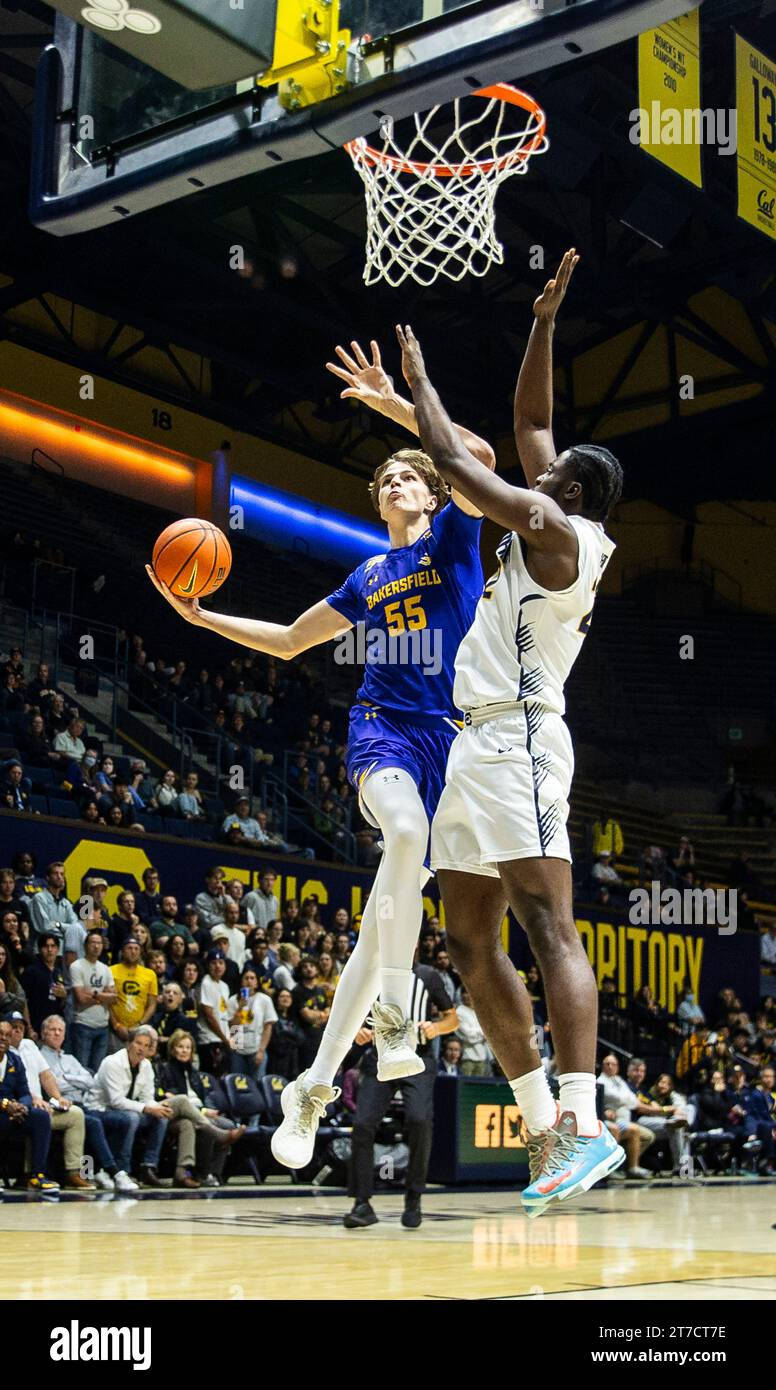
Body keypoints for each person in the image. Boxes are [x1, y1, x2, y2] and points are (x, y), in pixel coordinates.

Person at [147, 341, 495, 1174]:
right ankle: (396, 1023)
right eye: (386, 481)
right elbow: (291, 641)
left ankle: (311, 1084)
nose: (395, 484)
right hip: (382, 729)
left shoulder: (455, 539)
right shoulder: (370, 573)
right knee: (404, 835)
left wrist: (393, 404)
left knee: (381, 924)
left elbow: (479, 457)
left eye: (407, 476)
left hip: (450, 741)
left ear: (431, 492)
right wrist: (203, 619)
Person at [394, 256, 626, 1215]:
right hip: (473, 745)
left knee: (545, 922)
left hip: (523, 740)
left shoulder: (555, 530)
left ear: (573, 493)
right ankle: (544, 1132)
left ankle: (586, 1119)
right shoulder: (550, 510)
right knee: (466, 939)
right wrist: (543, 322)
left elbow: (458, 465)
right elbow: (532, 423)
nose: (542, 465)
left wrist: (420, 387)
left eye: (554, 472)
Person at [344, 959, 458, 1230]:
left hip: (418, 1058)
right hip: (380, 1058)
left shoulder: (428, 975)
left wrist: (436, 1028)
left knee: (419, 1120)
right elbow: (353, 1013)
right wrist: (358, 1030)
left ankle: (414, 1197)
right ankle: (362, 1203)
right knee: (362, 1125)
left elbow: (452, 1018)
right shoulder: (374, 973)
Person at [37, 1014, 139, 1192]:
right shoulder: (39, 1057)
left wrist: (65, 1078)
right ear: (44, 1033)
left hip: (84, 1105)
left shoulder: (70, 1058)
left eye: (60, 1030)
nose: (57, 1033)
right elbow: (51, 1083)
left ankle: (99, 1170)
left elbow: (89, 1081)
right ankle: (115, 1171)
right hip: (60, 1107)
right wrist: (71, 1080)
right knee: (93, 1123)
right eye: (53, 1030)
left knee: (123, 1120)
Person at [5, 1012, 95, 1189]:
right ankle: (31, 1174)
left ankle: (73, 1173)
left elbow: (46, 1075)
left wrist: (58, 1098)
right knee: (39, 1117)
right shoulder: (4, 1051)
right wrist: (33, 1099)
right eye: (14, 1027)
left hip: (41, 1105)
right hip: (16, 1107)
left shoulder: (30, 1045)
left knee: (76, 1115)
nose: (17, 1031)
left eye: (21, 1027)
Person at [86, 1026, 172, 1186]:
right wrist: (147, 1108)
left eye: (146, 1045)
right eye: (138, 1043)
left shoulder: (146, 1066)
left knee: (161, 1118)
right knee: (132, 1118)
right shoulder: (112, 1062)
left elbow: (147, 1098)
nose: (141, 1049)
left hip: (125, 1110)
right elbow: (116, 1101)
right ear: (128, 1044)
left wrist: (158, 1108)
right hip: (99, 1110)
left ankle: (148, 1167)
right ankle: (123, 1170)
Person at [158, 1029, 244, 1187]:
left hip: (199, 1112)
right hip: (180, 1114)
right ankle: (202, 1174)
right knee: (206, 1128)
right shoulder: (165, 1069)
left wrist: (207, 1109)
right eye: (180, 1047)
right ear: (172, 1049)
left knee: (228, 1125)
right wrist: (203, 1112)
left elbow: (203, 1098)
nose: (184, 1051)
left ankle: (214, 1172)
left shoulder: (194, 1073)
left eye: (188, 1047)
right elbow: (171, 1097)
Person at [0, 1017, 59, 1192]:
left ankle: (37, 1175)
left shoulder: (15, 1060)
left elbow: (25, 1092)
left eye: (7, 1035)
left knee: (41, 1117)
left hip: (12, 1113)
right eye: (0, 1034)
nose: (3, 1038)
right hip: (4, 1110)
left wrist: (22, 1106)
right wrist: (5, 1105)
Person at [598, 1054, 654, 1179]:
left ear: (618, 1067)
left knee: (646, 1135)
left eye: (613, 1064)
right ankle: (614, 1168)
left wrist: (628, 1100)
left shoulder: (619, 1080)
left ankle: (629, 1166)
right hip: (611, 1120)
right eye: (607, 1064)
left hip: (623, 1120)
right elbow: (619, 1098)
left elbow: (632, 1099)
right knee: (632, 1130)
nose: (610, 1066)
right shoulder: (600, 1081)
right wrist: (628, 1100)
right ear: (602, 1066)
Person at [69, 929, 117, 1070]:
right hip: (83, 1024)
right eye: (93, 943)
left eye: (99, 943)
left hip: (103, 1026)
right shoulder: (76, 966)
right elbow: (81, 998)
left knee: (98, 1070)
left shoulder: (106, 969)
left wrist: (94, 994)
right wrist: (103, 996)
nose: (96, 946)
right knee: (81, 1069)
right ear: (85, 945)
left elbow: (114, 998)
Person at [227, 966, 277, 1077]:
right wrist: (240, 1007)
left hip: (257, 1047)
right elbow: (232, 1026)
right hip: (237, 1048)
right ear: (241, 982)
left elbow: (268, 1027)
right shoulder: (233, 1000)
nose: (249, 981)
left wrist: (261, 1051)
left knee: (258, 1082)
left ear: (256, 983)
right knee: (238, 1081)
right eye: (246, 978)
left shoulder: (265, 999)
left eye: (252, 978)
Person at [109, 936, 159, 1047]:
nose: (133, 951)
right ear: (122, 951)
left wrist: (139, 1025)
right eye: (129, 948)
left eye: (136, 949)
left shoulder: (150, 974)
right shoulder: (111, 971)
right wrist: (116, 1025)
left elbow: (152, 1004)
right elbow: (106, 1003)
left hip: (139, 1029)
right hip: (114, 1029)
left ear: (140, 952)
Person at [21, 933, 67, 1036]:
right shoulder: (31, 971)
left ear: (57, 949)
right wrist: (29, 1028)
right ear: (39, 949)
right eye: (46, 946)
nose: (50, 950)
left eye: (53, 946)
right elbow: (23, 1001)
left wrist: (64, 996)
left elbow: (61, 1004)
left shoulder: (58, 972)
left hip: (55, 1028)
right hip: (36, 1027)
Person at [28, 861, 81, 947]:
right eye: (56, 873)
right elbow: (45, 927)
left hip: (63, 950)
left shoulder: (66, 903)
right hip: (43, 950)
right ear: (48, 877)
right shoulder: (39, 898)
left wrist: (58, 925)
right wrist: (66, 931)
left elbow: (75, 928)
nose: (59, 877)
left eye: (62, 874)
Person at [197, 948, 233, 1074]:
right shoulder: (206, 982)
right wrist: (225, 1039)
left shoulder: (225, 986)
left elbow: (224, 1015)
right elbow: (209, 1016)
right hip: (209, 1040)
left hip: (222, 1039)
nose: (218, 966)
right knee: (211, 1078)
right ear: (208, 965)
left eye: (221, 963)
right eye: (213, 963)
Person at [455, 986, 493, 1076]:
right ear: (461, 995)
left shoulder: (479, 1012)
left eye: (469, 992)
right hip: (467, 1058)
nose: (467, 995)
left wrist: (481, 1034)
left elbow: (488, 1031)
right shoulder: (459, 1011)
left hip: (482, 1058)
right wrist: (483, 1035)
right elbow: (469, 1036)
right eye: (465, 993)